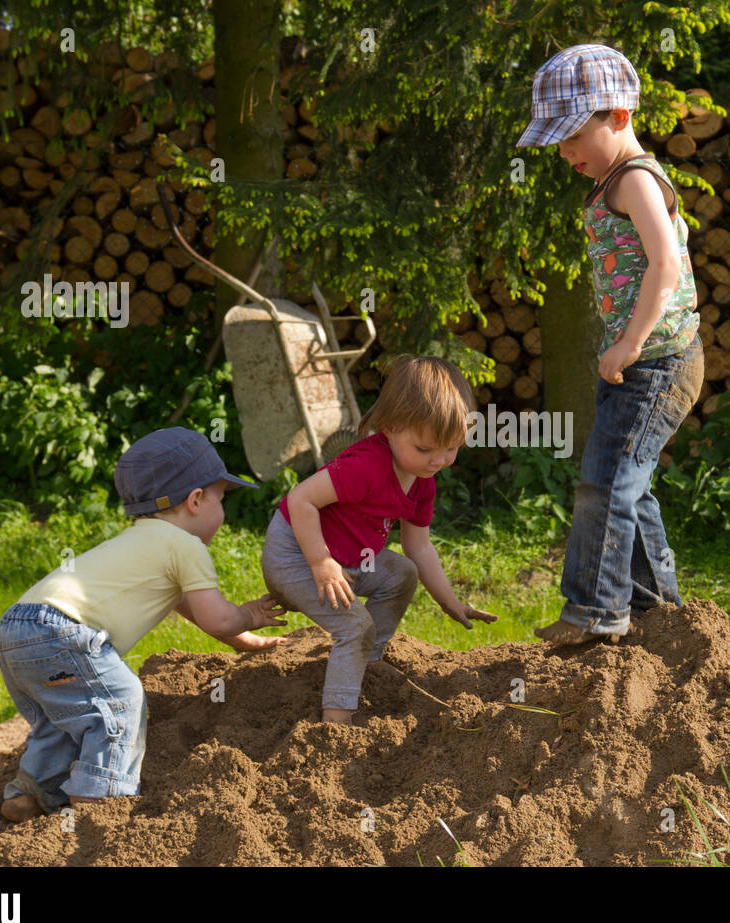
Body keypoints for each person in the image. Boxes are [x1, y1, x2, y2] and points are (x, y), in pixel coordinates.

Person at [0, 427, 286, 822]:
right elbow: (215, 614)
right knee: (121, 701)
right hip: (61, 631)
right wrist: (249, 614)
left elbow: (193, 610)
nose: (223, 511)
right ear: (196, 500)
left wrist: (243, 640)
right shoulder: (186, 546)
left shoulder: (142, 541)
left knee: (64, 718)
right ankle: (102, 798)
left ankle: (30, 793)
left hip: (17, 627)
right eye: (222, 499)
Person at [517, 43, 705, 648]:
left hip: (658, 361)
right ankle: (661, 615)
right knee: (629, 483)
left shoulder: (638, 180)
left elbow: (665, 267)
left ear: (619, 117)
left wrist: (628, 342)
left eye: (572, 135)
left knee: (605, 481)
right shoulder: (612, 182)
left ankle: (596, 610)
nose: (563, 151)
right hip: (642, 362)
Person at [262, 355, 497, 724]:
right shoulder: (366, 466)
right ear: (389, 427)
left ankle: (365, 663)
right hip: (297, 553)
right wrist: (321, 564)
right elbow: (301, 499)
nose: (437, 460)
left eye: (451, 449)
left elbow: (418, 546)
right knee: (356, 627)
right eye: (425, 449)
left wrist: (451, 603)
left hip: (352, 558)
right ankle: (335, 728)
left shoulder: (422, 481)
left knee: (402, 572)